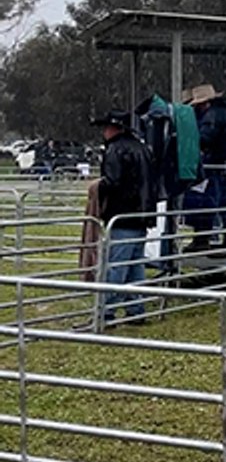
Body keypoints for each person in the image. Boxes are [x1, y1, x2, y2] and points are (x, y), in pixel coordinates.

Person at [91, 108, 155, 323]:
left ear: (113, 128)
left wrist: (98, 188)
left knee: (116, 265)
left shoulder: (116, 150)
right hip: (141, 215)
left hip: (123, 214)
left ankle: (106, 310)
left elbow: (113, 182)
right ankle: (135, 309)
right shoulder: (142, 148)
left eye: (106, 127)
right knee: (135, 265)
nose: (104, 131)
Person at [186, 84, 226, 249]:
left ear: (204, 104)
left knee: (224, 202)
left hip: (224, 167)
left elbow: (205, 139)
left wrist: (191, 142)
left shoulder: (213, 115)